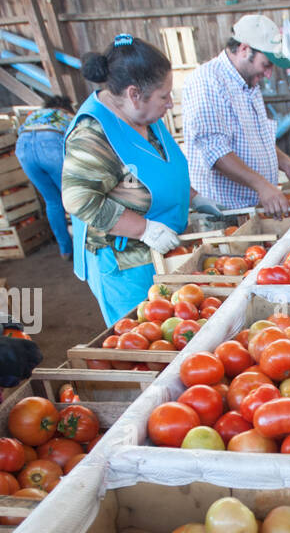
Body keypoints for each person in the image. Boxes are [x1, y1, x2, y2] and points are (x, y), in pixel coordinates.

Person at [62, 34, 204, 326]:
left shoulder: (145, 117)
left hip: (166, 252)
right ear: (134, 93)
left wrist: (193, 197)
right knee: (145, 338)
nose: (170, 103)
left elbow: (157, 167)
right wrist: (144, 229)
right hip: (126, 267)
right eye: (164, 96)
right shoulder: (92, 134)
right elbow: (79, 199)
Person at [182, 14, 290, 215]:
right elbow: (215, 151)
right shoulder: (208, 82)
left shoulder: (248, 83)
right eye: (266, 64)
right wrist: (261, 185)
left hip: (253, 207)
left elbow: (257, 141)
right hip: (226, 213)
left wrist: (287, 164)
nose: (269, 74)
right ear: (244, 49)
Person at [15, 94, 76, 260]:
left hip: (23, 148)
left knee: (52, 201)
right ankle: (83, 247)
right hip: (51, 145)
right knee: (74, 198)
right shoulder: (67, 116)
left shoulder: (34, 115)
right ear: (66, 107)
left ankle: (65, 250)